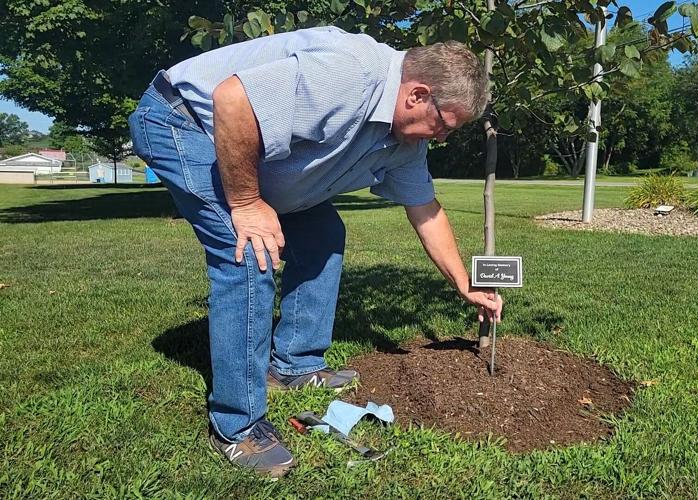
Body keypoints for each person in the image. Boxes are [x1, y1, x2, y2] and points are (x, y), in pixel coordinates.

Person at [128, 26, 504, 478]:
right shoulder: (350, 72)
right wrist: (246, 204)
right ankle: (237, 426)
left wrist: (465, 284)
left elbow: (425, 209)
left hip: (240, 144)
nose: (442, 138)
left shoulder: (404, 141)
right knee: (248, 250)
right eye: (445, 124)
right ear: (417, 95)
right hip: (182, 120)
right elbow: (232, 101)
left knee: (322, 232)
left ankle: (294, 364)